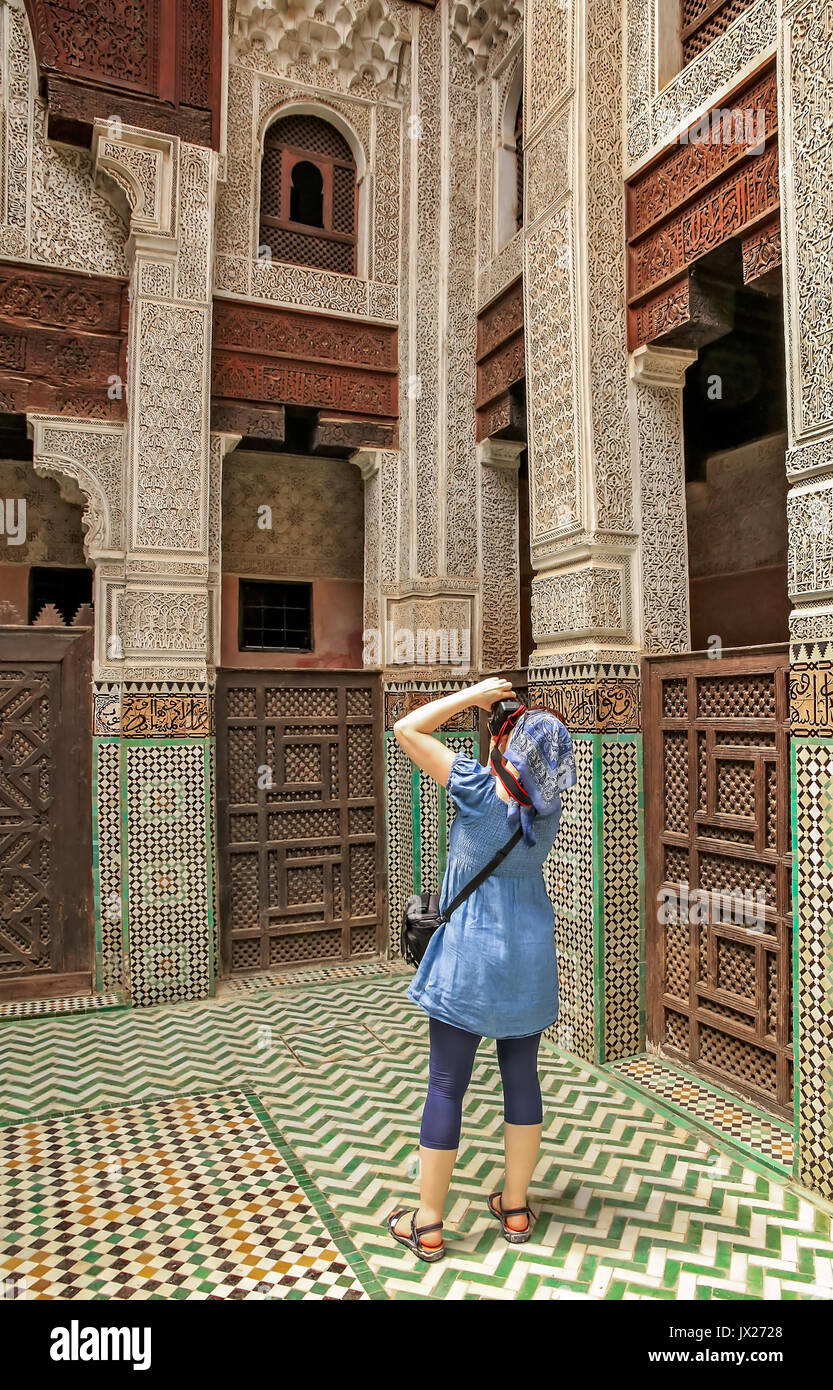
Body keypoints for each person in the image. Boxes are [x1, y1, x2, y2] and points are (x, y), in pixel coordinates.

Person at [386, 676, 577, 1261]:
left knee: (447, 1084)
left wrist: (472, 696)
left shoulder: (473, 786)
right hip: (528, 956)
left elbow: (406, 729)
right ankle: (515, 1208)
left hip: (470, 959)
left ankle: (429, 1222)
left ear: (502, 746)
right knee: (522, 1078)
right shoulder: (547, 811)